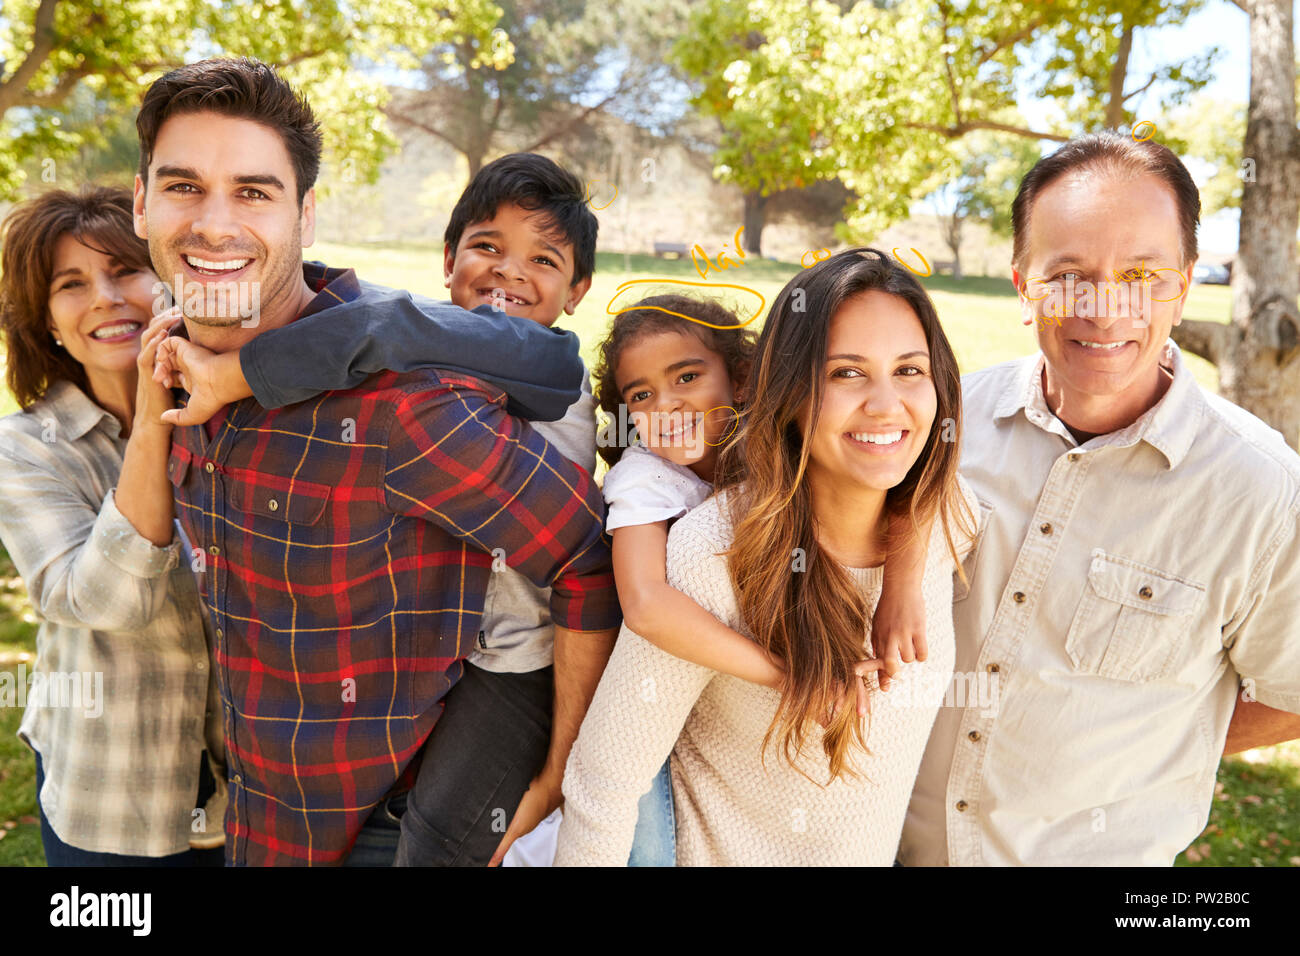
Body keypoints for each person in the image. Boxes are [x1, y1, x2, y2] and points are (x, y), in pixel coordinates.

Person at [130, 57, 620, 866]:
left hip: (383, 830)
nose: (215, 224)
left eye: (253, 191)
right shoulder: (172, 355)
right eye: (183, 187)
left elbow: (587, 559)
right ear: (141, 204)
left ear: (306, 214)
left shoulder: (406, 408)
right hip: (258, 819)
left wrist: (562, 769)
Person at [897, 131, 1300, 866]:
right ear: (1023, 285)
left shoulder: (1260, 490)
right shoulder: (939, 426)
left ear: (1183, 284)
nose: (1104, 309)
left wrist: (1168, 741)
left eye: (1143, 274)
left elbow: (1293, 692)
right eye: (1069, 273)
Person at [554, 249, 977, 865]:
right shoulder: (709, 549)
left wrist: (902, 582)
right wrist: (793, 673)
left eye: (910, 370)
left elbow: (928, 495)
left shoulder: (943, 515)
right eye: (847, 373)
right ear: (789, 388)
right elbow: (605, 786)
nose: (887, 405)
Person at [0, 186, 225, 865]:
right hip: (109, 794)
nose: (105, 296)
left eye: (126, 269)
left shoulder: (241, 417)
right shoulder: (27, 449)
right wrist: (155, 407)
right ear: (47, 323)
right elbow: (109, 602)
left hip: (251, 791)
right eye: (71, 284)